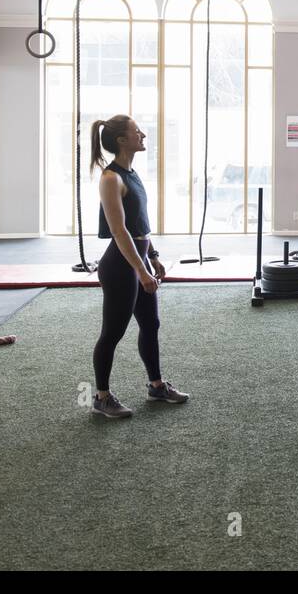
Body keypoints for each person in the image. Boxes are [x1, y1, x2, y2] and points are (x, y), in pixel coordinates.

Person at [88, 114, 189, 418]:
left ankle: (156, 386)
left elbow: (139, 224)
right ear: (121, 140)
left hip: (139, 259)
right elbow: (119, 231)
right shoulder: (111, 179)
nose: (142, 134)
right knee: (112, 332)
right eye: (136, 132)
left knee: (151, 324)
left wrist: (153, 256)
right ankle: (101, 397)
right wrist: (141, 271)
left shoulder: (131, 173)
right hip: (120, 266)